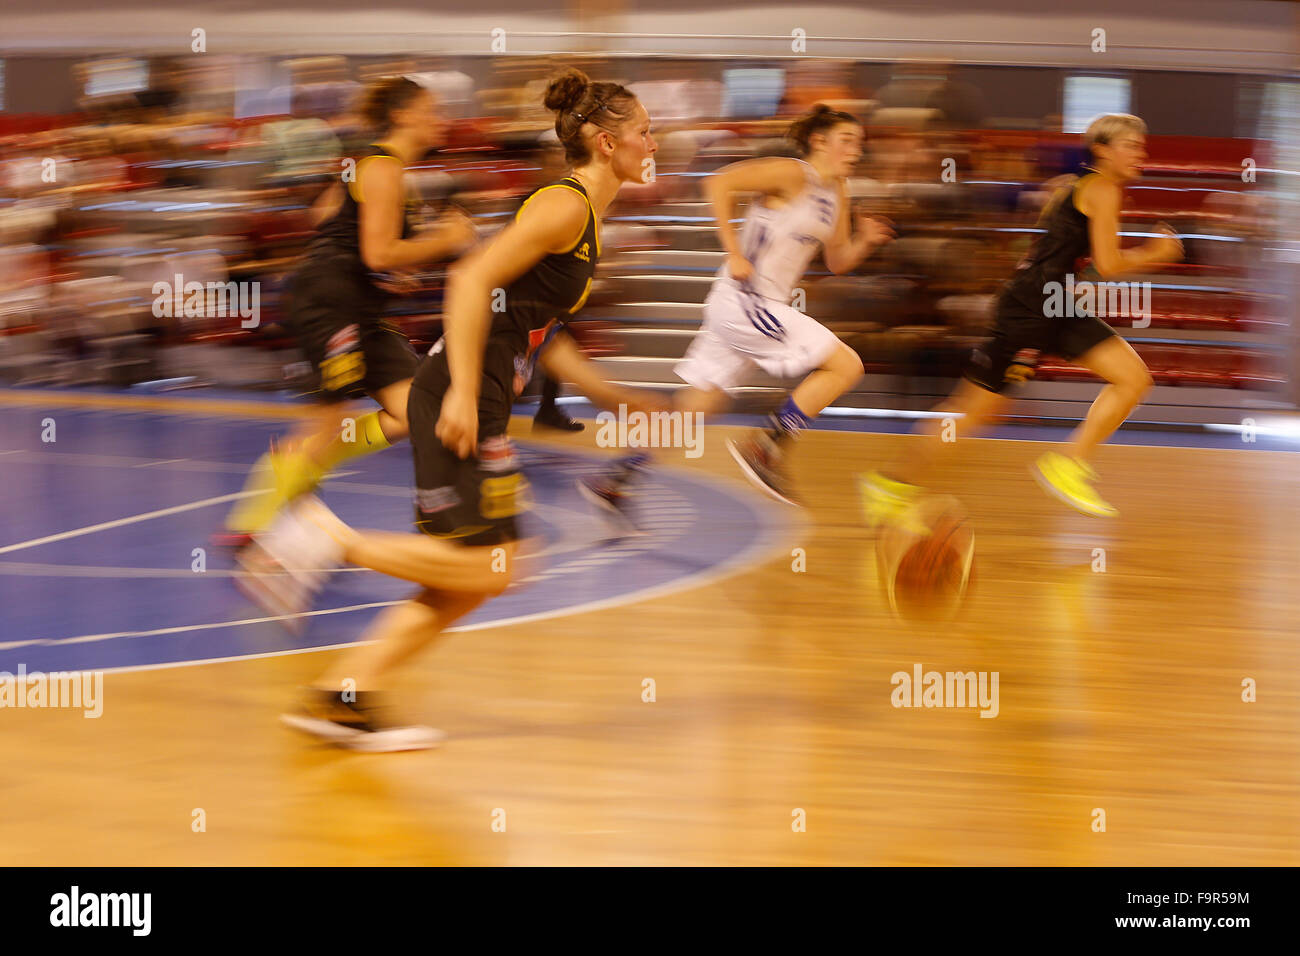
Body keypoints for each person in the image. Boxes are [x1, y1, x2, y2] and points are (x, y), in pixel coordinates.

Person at [238, 67, 664, 751]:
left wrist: (612, 394)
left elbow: (536, 327)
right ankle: (322, 538)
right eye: (645, 131)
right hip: (462, 395)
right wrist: (464, 390)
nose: (655, 141)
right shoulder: (565, 206)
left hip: (478, 394)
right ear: (607, 142)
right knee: (499, 565)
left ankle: (347, 697)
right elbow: (470, 280)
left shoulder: (585, 217)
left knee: (469, 580)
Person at [860, 113, 1184, 524]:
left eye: (1142, 144)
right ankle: (890, 482)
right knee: (975, 412)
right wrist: (1157, 253)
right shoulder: (1102, 188)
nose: (1142, 152)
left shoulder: (1078, 186)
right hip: (1031, 310)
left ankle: (1069, 464)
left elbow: (1072, 260)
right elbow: (1107, 265)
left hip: (1055, 303)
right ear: (1103, 150)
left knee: (1134, 379)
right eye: (1131, 145)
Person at [580, 103, 894, 518]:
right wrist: (733, 252)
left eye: (860, 143)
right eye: (847, 140)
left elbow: (836, 260)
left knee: (694, 410)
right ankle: (767, 447)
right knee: (847, 365)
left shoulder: (838, 191)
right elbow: (718, 183)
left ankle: (616, 480)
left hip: (754, 306)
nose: (855, 150)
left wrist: (867, 241)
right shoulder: (793, 173)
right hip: (747, 299)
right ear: (819, 141)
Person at [218, 76, 477, 546]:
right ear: (401, 115)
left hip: (362, 308)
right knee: (329, 422)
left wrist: (393, 268)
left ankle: (297, 465)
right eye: (431, 109)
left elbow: (326, 218)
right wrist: (446, 240)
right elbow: (377, 254)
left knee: (415, 413)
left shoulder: (376, 169)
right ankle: (253, 522)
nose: (442, 119)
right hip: (332, 303)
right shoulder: (381, 166)